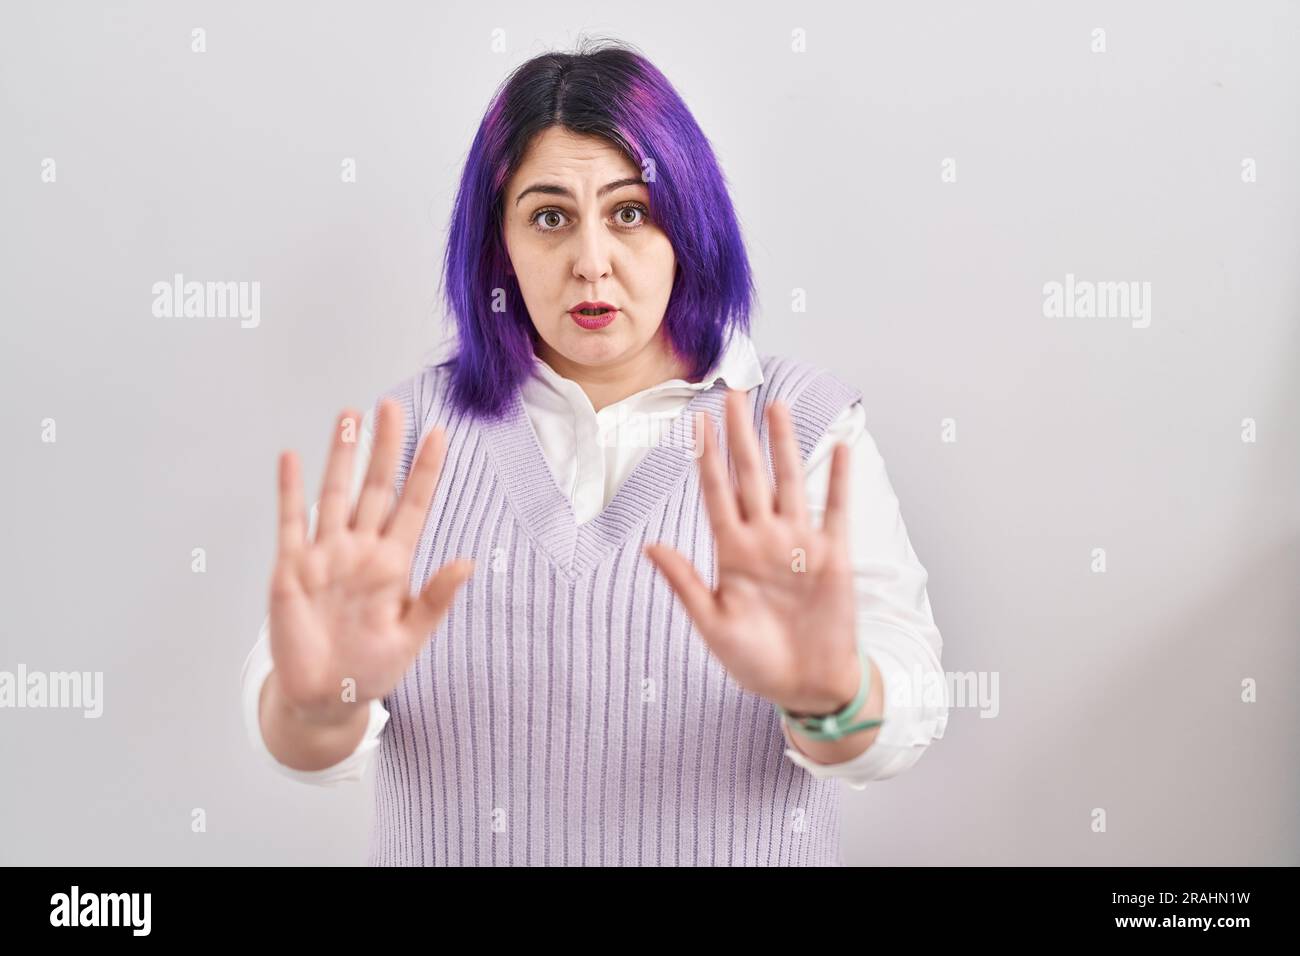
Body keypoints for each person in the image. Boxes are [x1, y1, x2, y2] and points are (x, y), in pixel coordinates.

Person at [240, 38, 947, 866]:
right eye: (549, 218)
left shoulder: (802, 426)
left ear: (689, 225)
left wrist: (832, 694)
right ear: (496, 244)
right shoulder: (406, 439)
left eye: (630, 212)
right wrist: (322, 707)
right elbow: (292, 715)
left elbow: (908, 703)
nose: (590, 262)